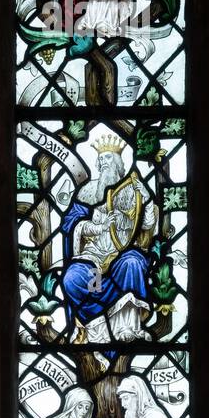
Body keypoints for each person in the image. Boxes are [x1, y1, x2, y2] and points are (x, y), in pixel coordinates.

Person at [58, 137, 157, 350]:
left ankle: (126, 328)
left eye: (108, 159)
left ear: (119, 165)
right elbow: (71, 223)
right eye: (101, 159)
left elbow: (147, 224)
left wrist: (147, 198)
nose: (104, 163)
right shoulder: (87, 192)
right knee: (73, 277)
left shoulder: (132, 191)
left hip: (121, 253)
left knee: (132, 262)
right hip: (93, 256)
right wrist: (95, 226)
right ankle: (96, 327)